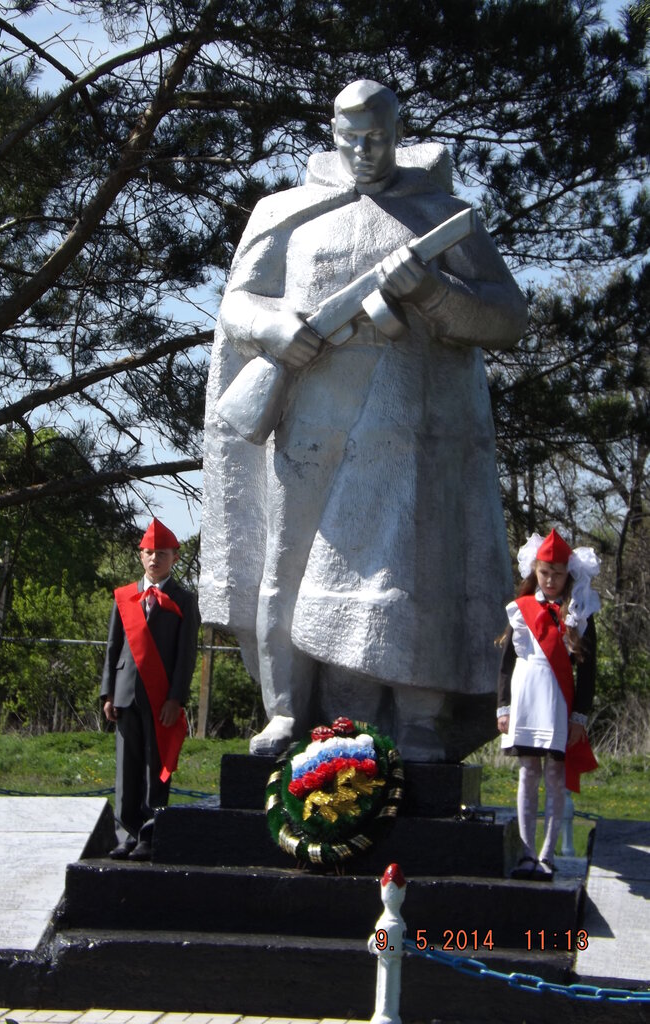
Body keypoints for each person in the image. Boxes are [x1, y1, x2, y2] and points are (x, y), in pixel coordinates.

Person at [199, 79, 527, 761]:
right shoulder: (287, 211)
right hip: (307, 413)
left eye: (378, 138)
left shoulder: (440, 214)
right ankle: (286, 713)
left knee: (414, 566)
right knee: (284, 563)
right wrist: (275, 326)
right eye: (351, 139)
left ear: (398, 133)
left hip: (409, 426)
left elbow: (505, 316)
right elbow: (238, 303)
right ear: (332, 135)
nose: (365, 152)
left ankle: (418, 721)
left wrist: (433, 291)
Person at [497, 529, 600, 881]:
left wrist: (579, 717)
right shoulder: (521, 609)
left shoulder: (581, 612)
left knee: (555, 776)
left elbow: (588, 672)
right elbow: (507, 663)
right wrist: (503, 707)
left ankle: (547, 855)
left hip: (559, 704)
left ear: (567, 573)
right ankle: (526, 853)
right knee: (528, 774)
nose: (551, 579)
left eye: (557, 573)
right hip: (525, 702)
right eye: (545, 572)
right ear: (535, 572)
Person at [101, 517, 199, 860]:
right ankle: (125, 835)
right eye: (148, 553)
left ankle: (149, 835)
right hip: (126, 693)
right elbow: (113, 648)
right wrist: (108, 693)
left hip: (162, 699)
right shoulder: (124, 596)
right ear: (140, 556)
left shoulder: (185, 600)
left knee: (155, 768)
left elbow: (186, 656)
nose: (154, 558)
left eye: (161, 553)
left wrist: (176, 698)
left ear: (175, 557)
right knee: (126, 769)